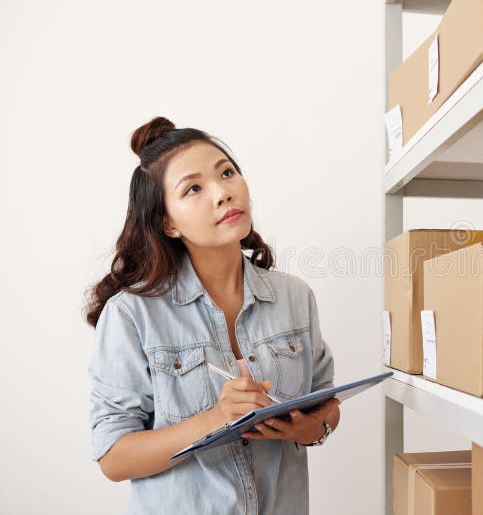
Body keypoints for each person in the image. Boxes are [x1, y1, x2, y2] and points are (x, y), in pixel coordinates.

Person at [84, 116, 339, 514]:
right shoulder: (132, 314)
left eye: (227, 173)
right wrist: (216, 418)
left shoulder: (295, 297)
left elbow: (326, 403)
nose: (222, 193)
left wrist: (312, 429)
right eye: (194, 188)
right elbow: (114, 457)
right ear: (168, 223)